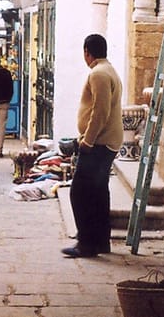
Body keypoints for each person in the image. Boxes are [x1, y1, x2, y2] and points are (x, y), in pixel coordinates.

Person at [62, 34, 123, 258]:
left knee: (80, 192)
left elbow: (100, 111)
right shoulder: (108, 70)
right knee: (98, 193)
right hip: (106, 141)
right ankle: (101, 241)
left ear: (87, 52)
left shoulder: (98, 74)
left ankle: (86, 243)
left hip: (99, 142)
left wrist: (87, 140)